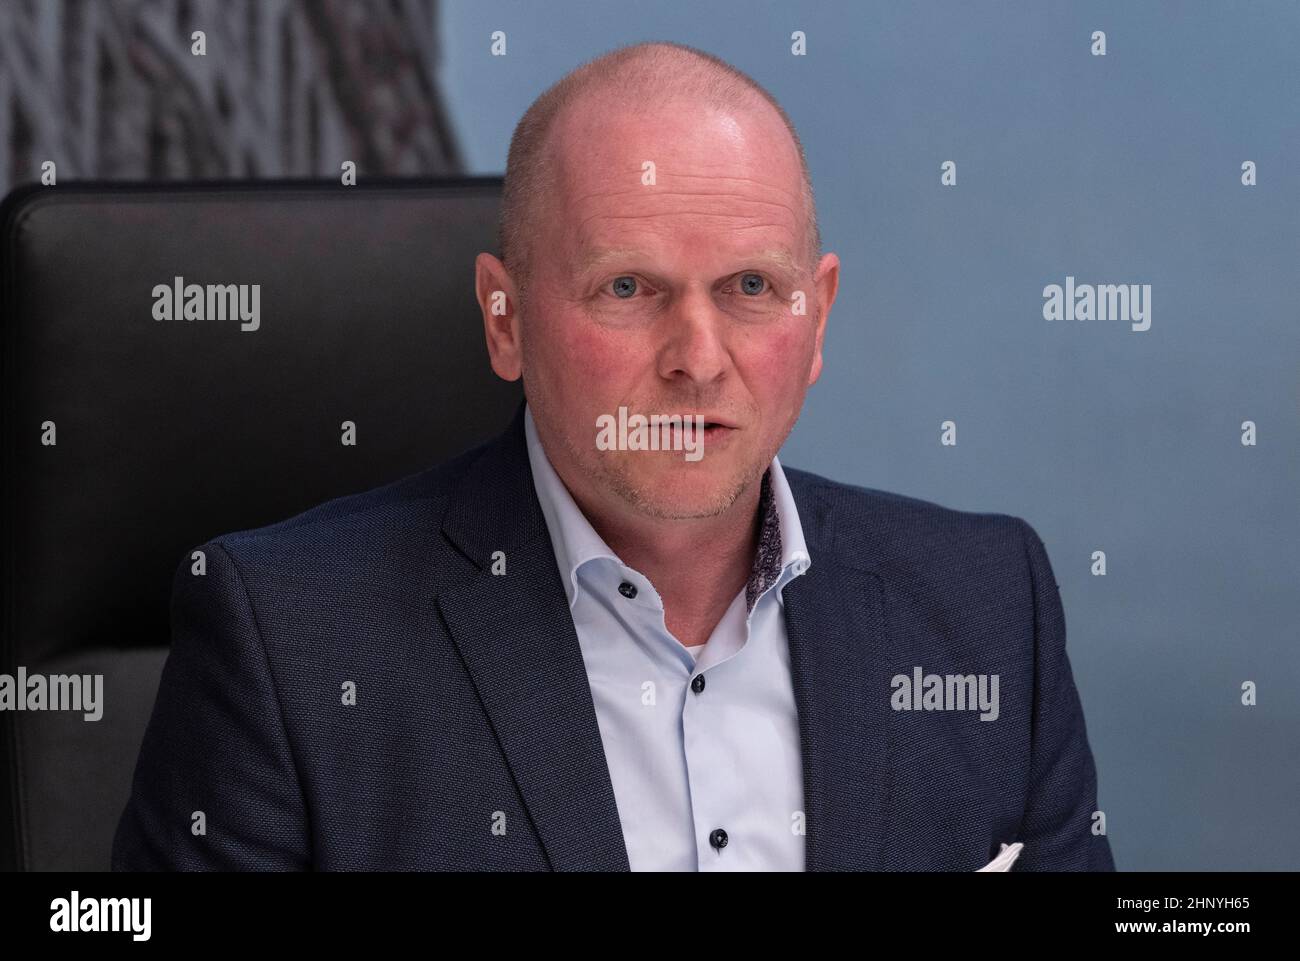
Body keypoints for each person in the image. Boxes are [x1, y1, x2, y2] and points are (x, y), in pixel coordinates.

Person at [112, 40, 1114, 871]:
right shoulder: (285, 639)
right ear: (503, 320)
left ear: (819, 319)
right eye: (628, 289)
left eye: (751, 289)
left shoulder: (988, 609)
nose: (697, 359)